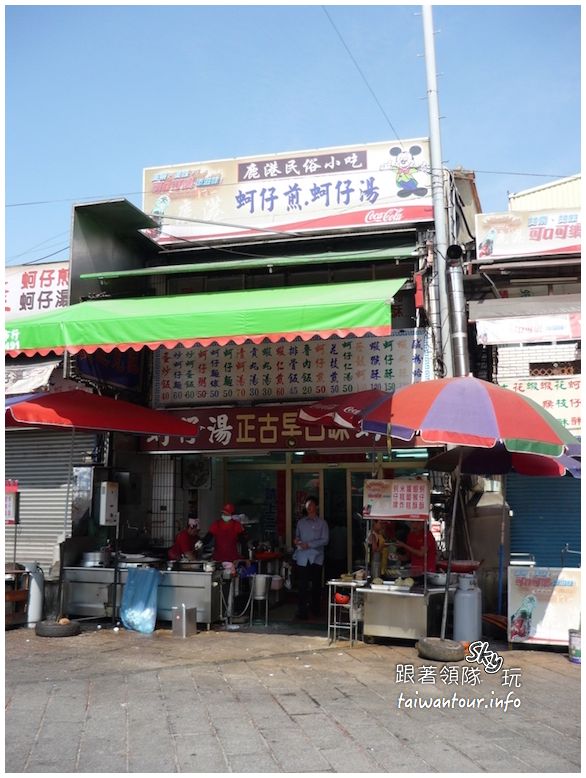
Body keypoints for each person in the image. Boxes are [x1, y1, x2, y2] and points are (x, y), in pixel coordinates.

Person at [293, 496, 329, 620]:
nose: (309, 508)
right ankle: (302, 611)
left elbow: (325, 540)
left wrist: (309, 544)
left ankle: (316, 609)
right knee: (302, 586)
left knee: (316, 586)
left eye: (311, 505)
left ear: (316, 507)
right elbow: (296, 536)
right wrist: (296, 541)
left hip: (316, 558)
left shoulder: (322, 523)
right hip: (302, 558)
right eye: (307, 506)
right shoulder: (301, 522)